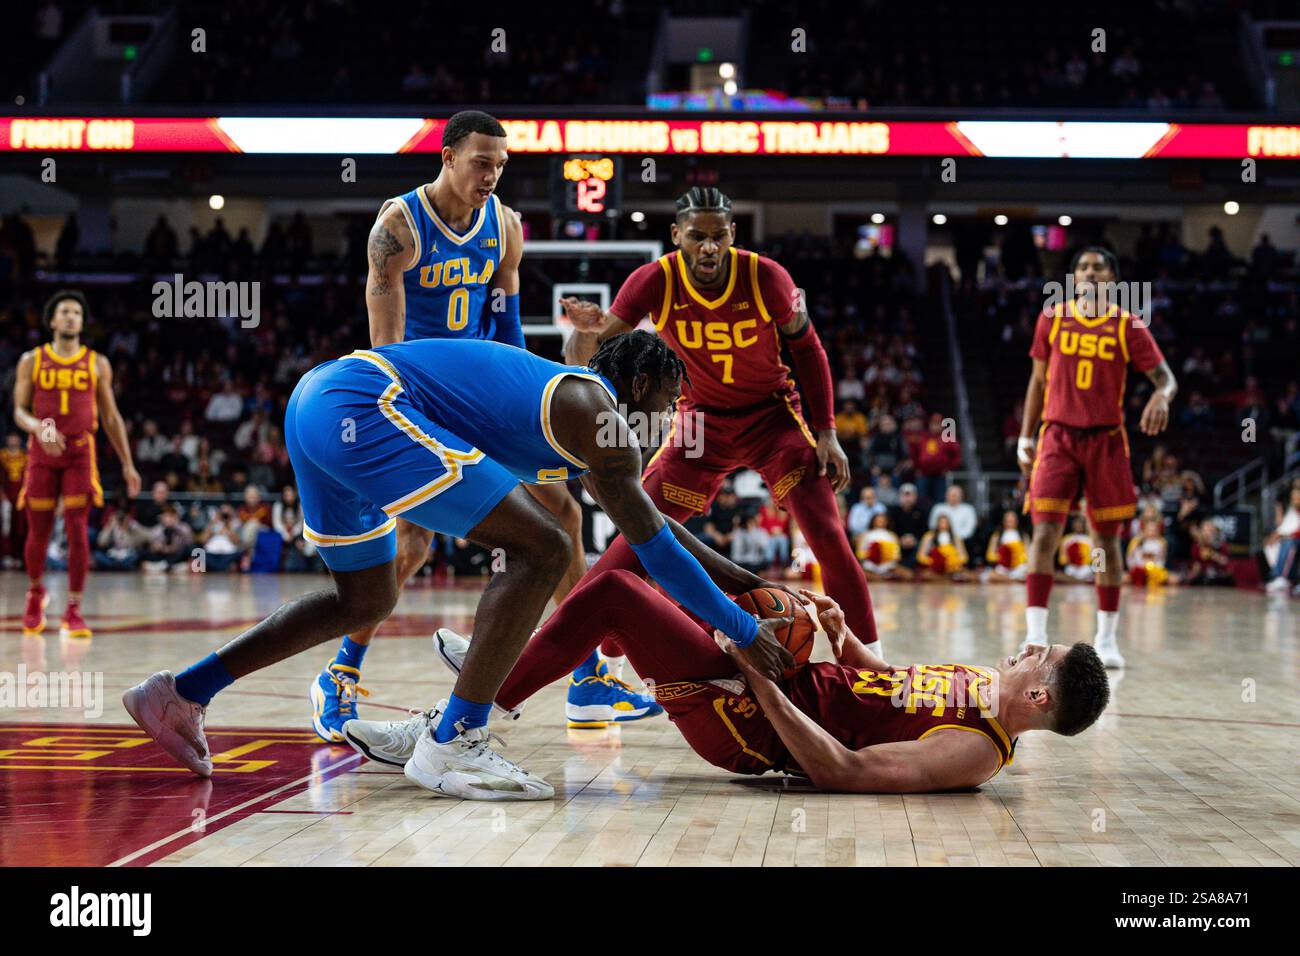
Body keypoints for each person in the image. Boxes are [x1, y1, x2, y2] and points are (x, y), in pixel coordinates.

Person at [123, 333, 797, 801]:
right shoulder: (598, 414)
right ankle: (454, 738)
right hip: (364, 404)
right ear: (642, 384)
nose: (673, 416)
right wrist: (740, 628)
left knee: (362, 602)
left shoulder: (587, 417)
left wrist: (748, 584)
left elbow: (654, 529)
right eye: (671, 401)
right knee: (547, 548)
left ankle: (182, 691)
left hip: (319, 404)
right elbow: (652, 547)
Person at [310, 109, 606, 743]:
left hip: (480, 395)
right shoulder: (398, 227)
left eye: (500, 165)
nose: (492, 175)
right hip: (413, 397)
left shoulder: (506, 228)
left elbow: (506, 327)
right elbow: (383, 352)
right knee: (413, 547)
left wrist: (526, 402)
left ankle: (586, 675)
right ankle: (339, 672)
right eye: (480, 162)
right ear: (446, 157)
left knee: (565, 517)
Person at [345, 572, 1110, 794]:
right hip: (785, 680)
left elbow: (842, 769)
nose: (1028, 645)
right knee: (650, 550)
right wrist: (838, 637)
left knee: (616, 595)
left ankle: (469, 708)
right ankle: (466, 710)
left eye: (1039, 657)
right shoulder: (978, 682)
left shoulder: (977, 751)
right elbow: (877, 684)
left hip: (753, 728)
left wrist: (756, 673)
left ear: (1039, 700)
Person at [562, 186, 880, 668]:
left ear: (733, 234)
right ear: (677, 236)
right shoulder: (654, 280)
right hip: (699, 424)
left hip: (773, 418)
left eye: (717, 236)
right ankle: (585, 651)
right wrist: (585, 333)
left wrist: (828, 431)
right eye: (697, 236)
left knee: (827, 535)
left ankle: (870, 665)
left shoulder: (766, 277)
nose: (708, 247)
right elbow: (599, 361)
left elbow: (809, 351)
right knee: (636, 530)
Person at [1017, 247, 1177, 668]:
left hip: (1106, 440)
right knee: (1045, 532)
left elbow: (1167, 378)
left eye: (1098, 267)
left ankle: (1106, 640)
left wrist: (1162, 394)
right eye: (1083, 267)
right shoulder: (1051, 317)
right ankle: (1035, 635)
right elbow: (1037, 382)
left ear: (1112, 278)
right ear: (1072, 278)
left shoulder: (1128, 324)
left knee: (1106, 540)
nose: (1090, 272)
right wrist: (1024, 436)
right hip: (1057, 436)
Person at [13, 290, 142, 639]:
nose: (71, 317)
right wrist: (38, 426)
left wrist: (128, 464)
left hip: (80, 452)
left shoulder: (98, 362)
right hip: (42, 450)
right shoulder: (32, 360)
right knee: (37, 530)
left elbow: (112, 417)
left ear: (82, 323)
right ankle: (36, 591)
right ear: (52, 320)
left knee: (77, 528)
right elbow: (19, 411)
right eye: (64, 312)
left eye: (76, 313)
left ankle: (73, 608)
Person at [858, 512, 909, 580]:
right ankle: (880, 577)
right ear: (873, 521)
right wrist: (873, 555)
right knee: (860, 574)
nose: (880, 522)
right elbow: (860, 554)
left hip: (888, 566)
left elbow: (897, 555)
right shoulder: (866, 535)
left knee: (907, 574)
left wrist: (886, 555)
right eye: (878, 520)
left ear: (887, 522)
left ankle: (882, 577)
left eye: (882, 521)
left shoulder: (892, 535)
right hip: (870, 566)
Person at [917, 514, 969, 579]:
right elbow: (921, 556)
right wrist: (934, 562)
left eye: (946, 522)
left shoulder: (956, 538)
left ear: (949, 524)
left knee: (965, 574)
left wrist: (951, 562)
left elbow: (963, 557)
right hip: (934, 567)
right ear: (937, 524)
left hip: (952, 568)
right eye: (941, 522)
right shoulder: (929, 537)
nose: (943, 525)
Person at [984, 510, 1029, 582]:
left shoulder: (1023, 535)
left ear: (1017, 521)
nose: (1010, 521)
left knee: (1028, 574)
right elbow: (990, 555)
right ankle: (1013, 580)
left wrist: (1017, 558)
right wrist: (1000, 558)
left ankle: (1009, 580)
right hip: (1003, 568)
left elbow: (1028, 554)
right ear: (1004, 521)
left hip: (1019, 567)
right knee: (990, 575)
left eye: (1013, 519)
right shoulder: (997, 535)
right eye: (1008, 520)